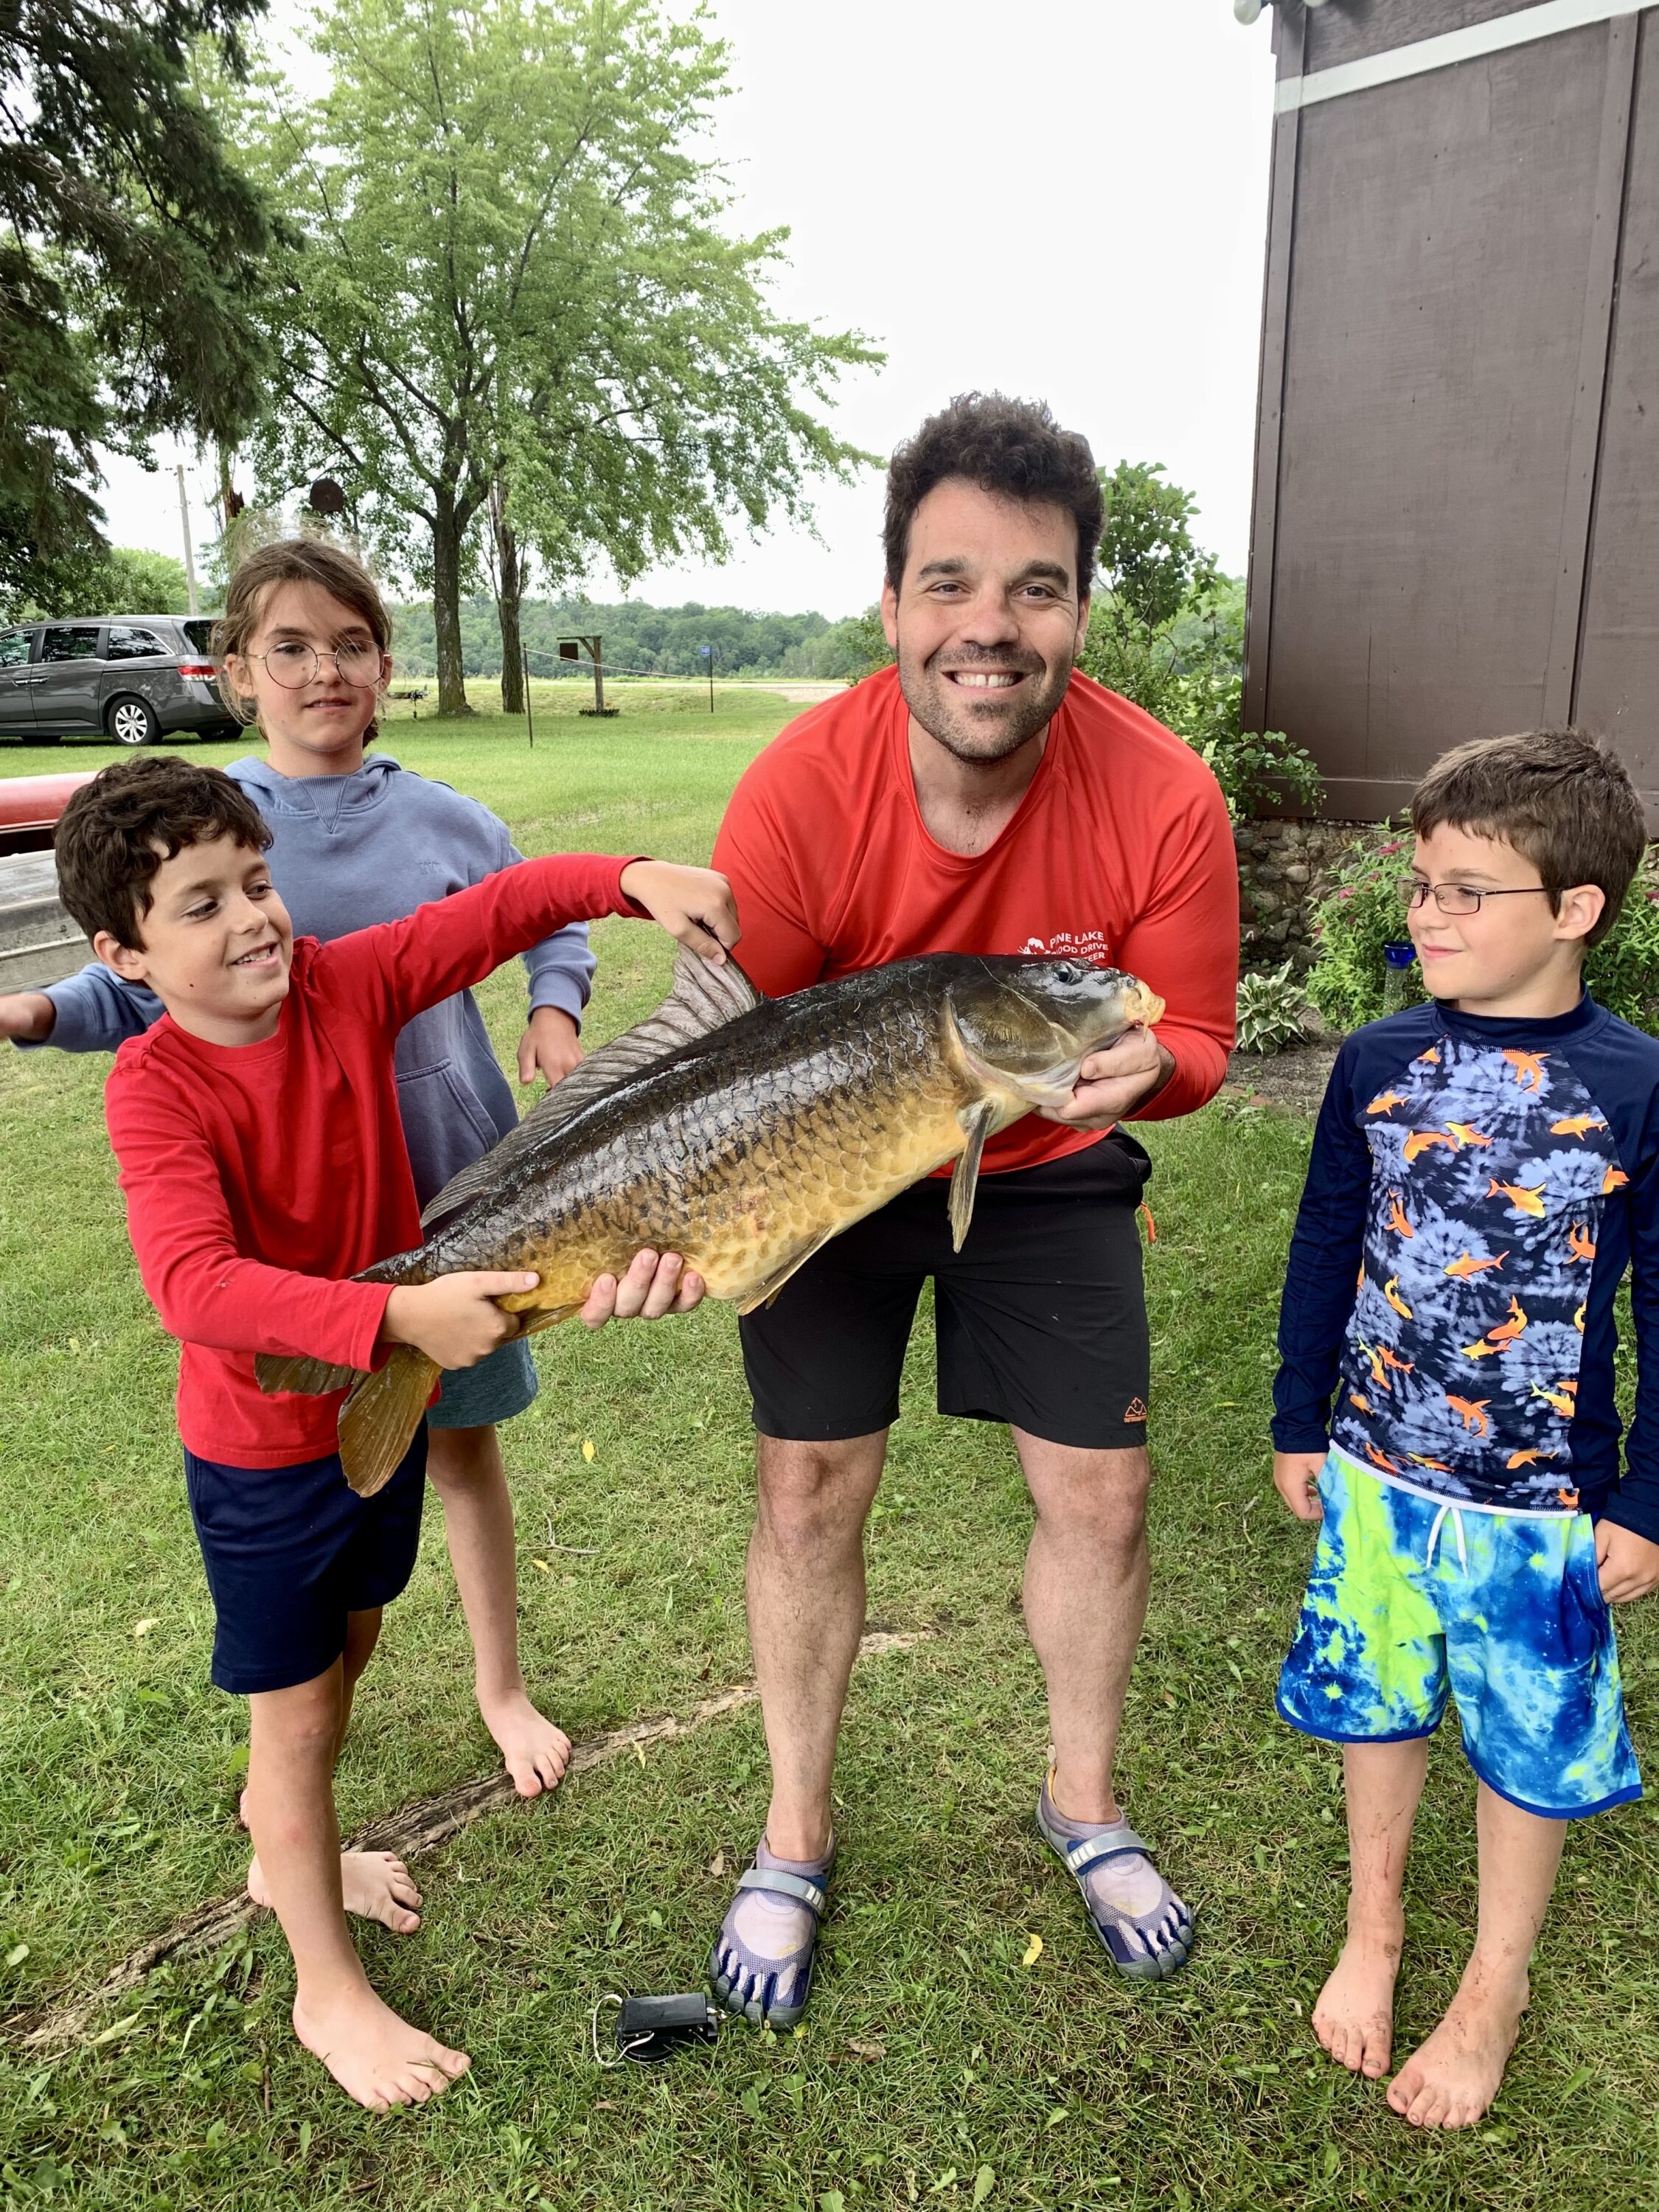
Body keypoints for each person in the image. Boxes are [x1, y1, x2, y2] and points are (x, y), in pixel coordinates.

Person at [57, 749, 736, 2107]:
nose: (253, 918)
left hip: (377, 1412)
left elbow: (491, 912)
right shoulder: (156, 1086)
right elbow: (193, 1287)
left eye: (257, 882)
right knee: (300, 1720)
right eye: (201, 904)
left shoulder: (343, 985)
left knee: (355, 1642)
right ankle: (326, 1989)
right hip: (261, 1454)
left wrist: (625, 879)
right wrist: (398, 1318)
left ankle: (288, 1854)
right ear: (123, 957)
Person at [704, 393, 1239, 2023]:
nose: (988, 628)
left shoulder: (1164, 794)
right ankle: (796, 1832)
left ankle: (1085, 1804)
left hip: (1050, 1162)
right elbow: (728, 1060)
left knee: (1103, 1500)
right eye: (948, 583)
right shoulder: (799, 789)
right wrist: (691, 1223)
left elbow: (1198, 1037)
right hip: (836, 1166)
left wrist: (1144, 1075)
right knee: (807, 1492)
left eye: (1034, 588)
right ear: (891, 605)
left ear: (1079, 608)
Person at [0, 541, 593, 1801]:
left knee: (463, 1453)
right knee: (335, 1480)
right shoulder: (201, 820)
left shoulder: (442, 817)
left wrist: (557, 1001)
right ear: (234, 673)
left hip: (463, 1194)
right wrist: (43, 1012)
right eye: (290, 646)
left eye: (350, 643)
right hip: (311, 1244)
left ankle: (499, 1687)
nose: (324, 668)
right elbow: (141, 986)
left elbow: (530, 907)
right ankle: (298, 1753)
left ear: (383, 664)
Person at [1271, 728, 1659, 2129]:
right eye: (1421, 885)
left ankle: (1492, 1988)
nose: (1426, 914)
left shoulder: (1636, 1084)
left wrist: (1647, 1500)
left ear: (1573, 910)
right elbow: (1327, 1242)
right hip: (1374, 1467)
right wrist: (1298, 1419)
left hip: (1541, 1502)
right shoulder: (1374, 1058)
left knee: (1525, 1742)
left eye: (1465, 891)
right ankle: (1371, 1928)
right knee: (1375, 1704)